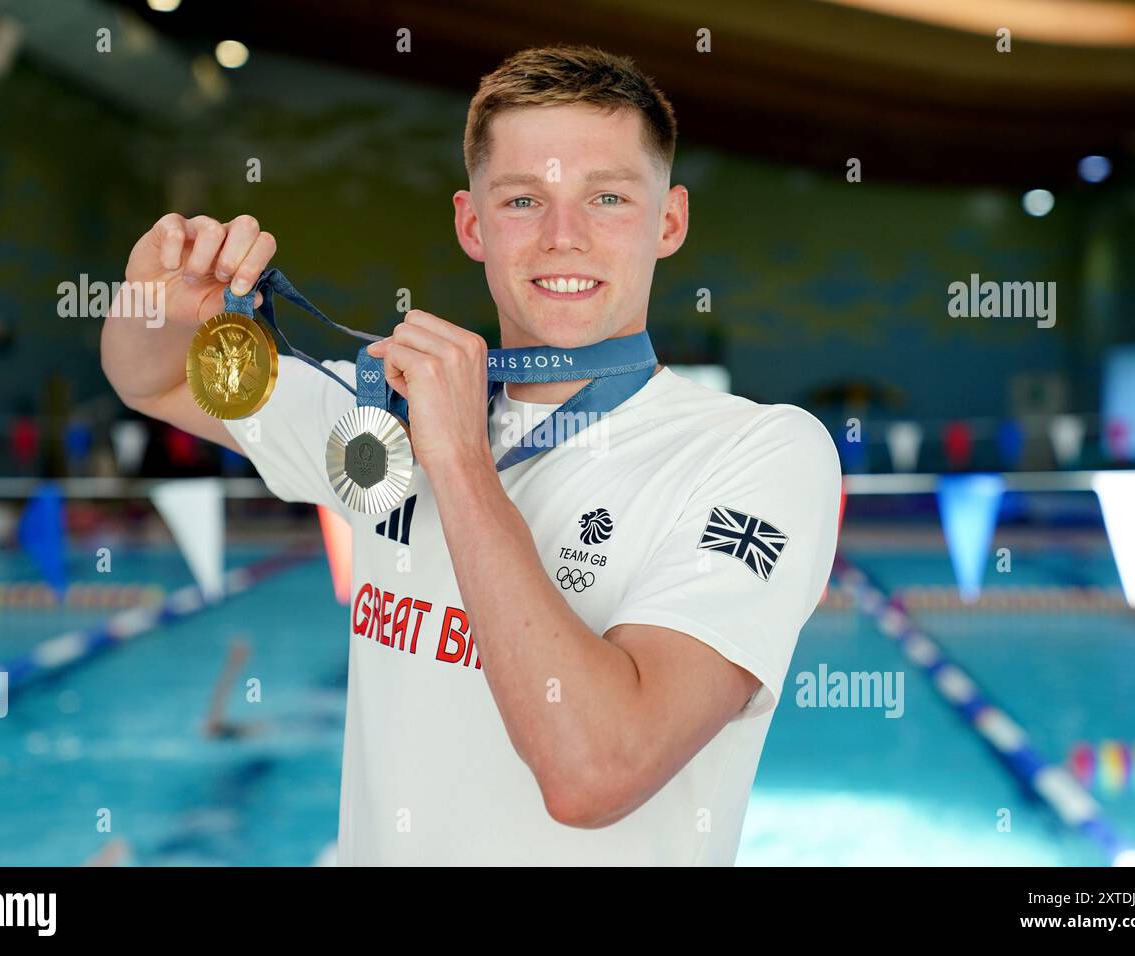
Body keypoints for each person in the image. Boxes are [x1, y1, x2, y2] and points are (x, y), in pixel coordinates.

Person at [101, 44, 842, 865]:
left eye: (607, 198)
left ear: (669, 221)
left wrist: (458, 460)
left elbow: (595, 772)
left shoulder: (759, 452)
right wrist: (156, 299)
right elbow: (156, 379)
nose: (565, 237)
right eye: (524, 199)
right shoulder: (382, 418)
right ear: (471, 224)